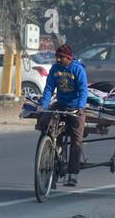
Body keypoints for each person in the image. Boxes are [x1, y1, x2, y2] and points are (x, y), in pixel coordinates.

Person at [38, 43, 89, 186]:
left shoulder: (77, 69)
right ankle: (53, 173)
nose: (58, 60)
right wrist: (44, 105)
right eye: (57, 57)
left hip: (75, 108)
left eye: (61, 57)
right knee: (50, 130)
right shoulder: (55, 69)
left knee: (76, 140)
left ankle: (73, 174)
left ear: (68, 58)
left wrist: (80, 107)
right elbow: (49, 88)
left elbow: (83, 90)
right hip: (60, 105)